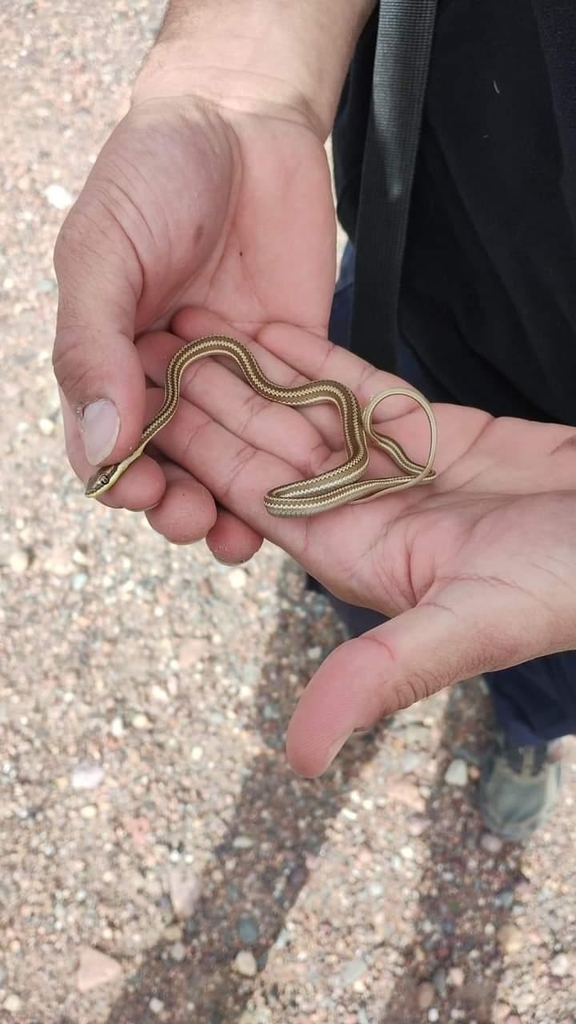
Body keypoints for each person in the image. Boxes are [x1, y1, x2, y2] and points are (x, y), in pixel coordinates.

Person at [52, 0, 576, 841]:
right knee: (378, 574)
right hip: (418, 261)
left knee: (530, 641)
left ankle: (528, 733)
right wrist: (239, 78)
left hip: (514, 431)